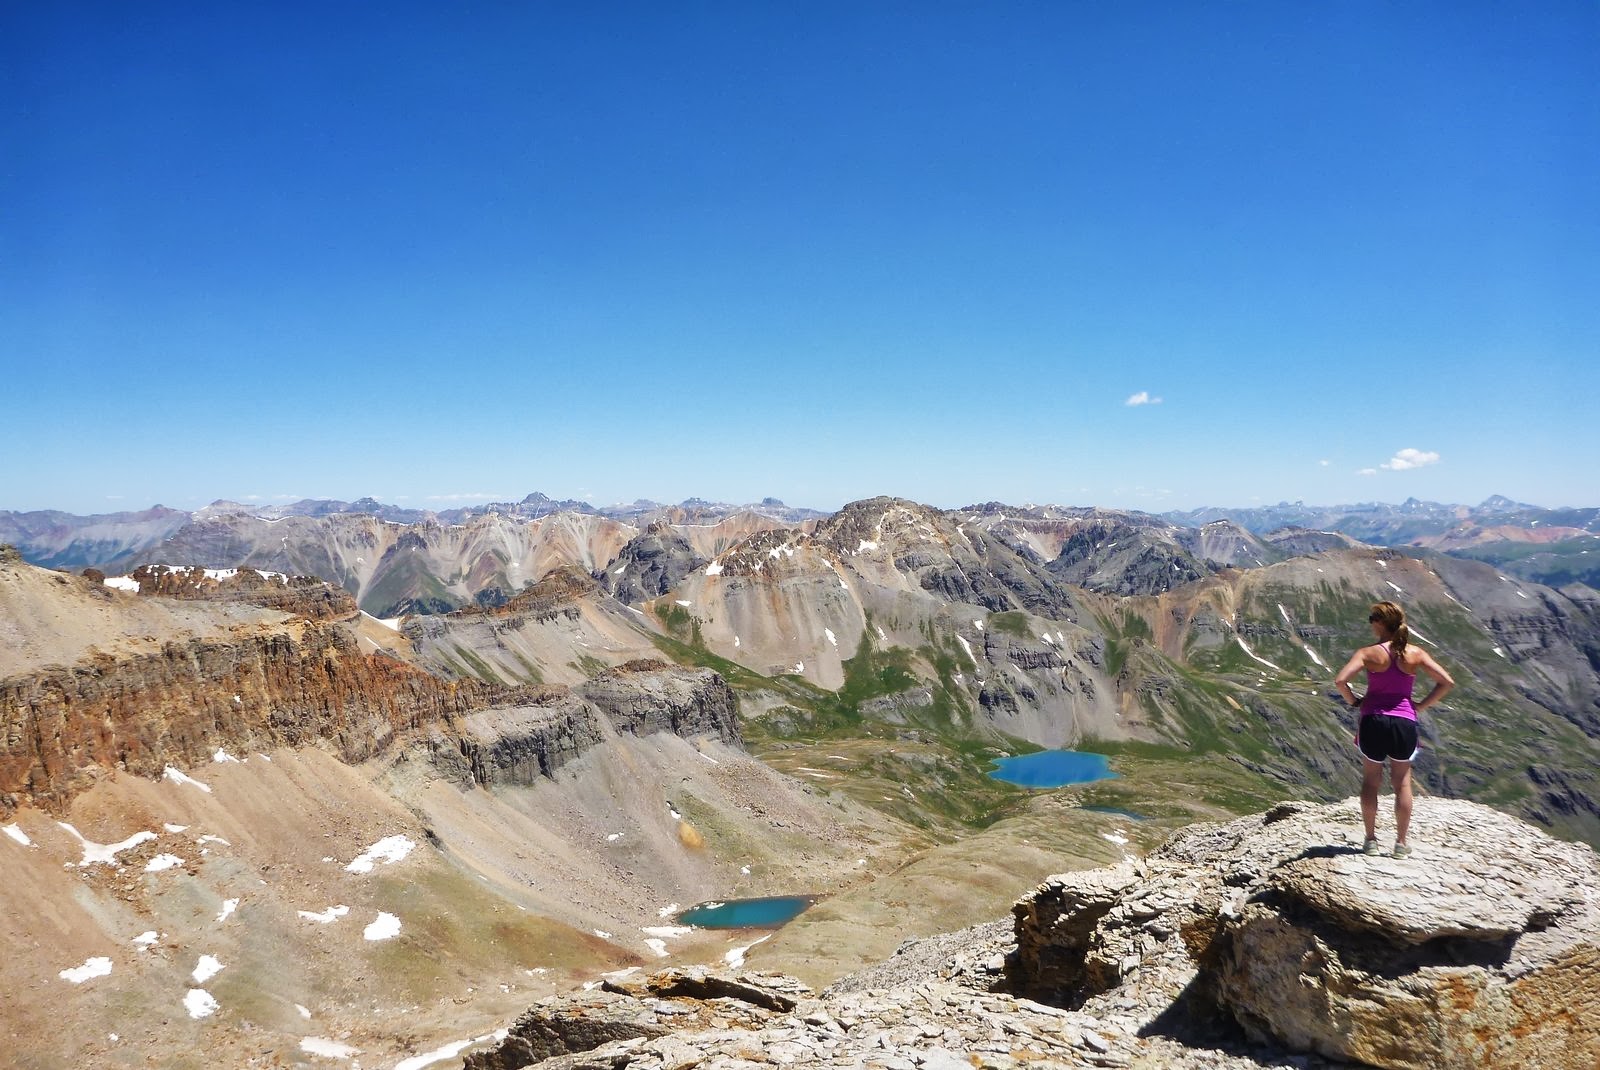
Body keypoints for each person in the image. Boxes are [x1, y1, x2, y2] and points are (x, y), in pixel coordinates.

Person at [1333, 600, 1454, 858]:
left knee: (1371, 781)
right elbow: (1446, 682)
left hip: (1373, 720)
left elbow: (1341, 680)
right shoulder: (1415, 653)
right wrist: (1420, 706)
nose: (1370, 623)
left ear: (1379, 623)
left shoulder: (1367, 653)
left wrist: (1354, 701)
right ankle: (1400, 844)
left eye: (1371, 619)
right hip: (1404, 721)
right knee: (1402, 783)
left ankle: (1370, 841)